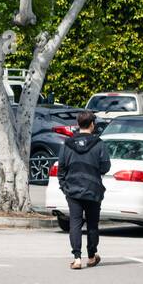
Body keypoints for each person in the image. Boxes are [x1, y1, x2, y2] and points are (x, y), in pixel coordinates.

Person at [58, 110, 111, 270]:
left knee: (75, 222)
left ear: (78, 124)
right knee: (92, 224)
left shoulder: (67, 144)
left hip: (72, 189)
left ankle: (77, 258)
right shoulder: (99, 143)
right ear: (92, 124)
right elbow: (106, 166)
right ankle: (91, 255)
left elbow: (61, 167)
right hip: (93, 189)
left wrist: (64, 186)